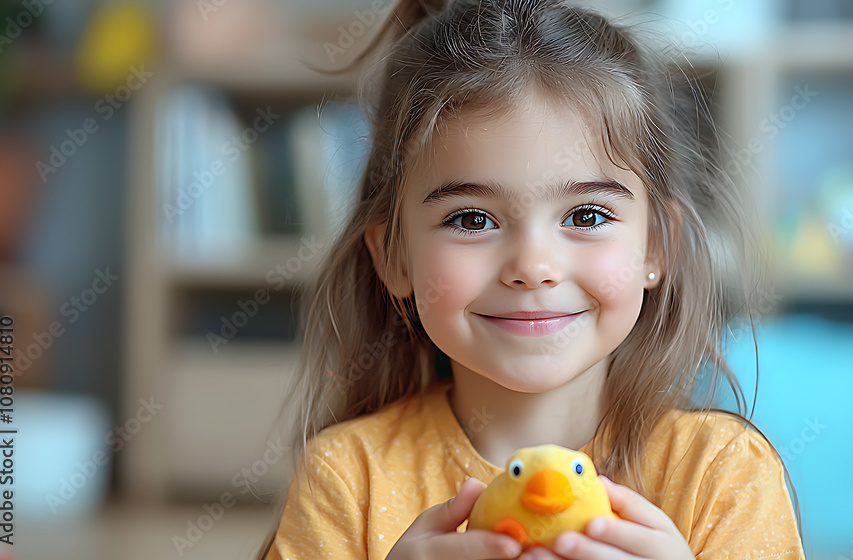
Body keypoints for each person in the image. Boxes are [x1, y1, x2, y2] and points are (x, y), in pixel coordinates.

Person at [258, 0, 804, 558]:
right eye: (472, 219)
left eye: (586, 216)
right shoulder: (348, 477)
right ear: (395, 256)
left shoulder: (720, 474)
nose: (533, 268)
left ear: (657, 245)